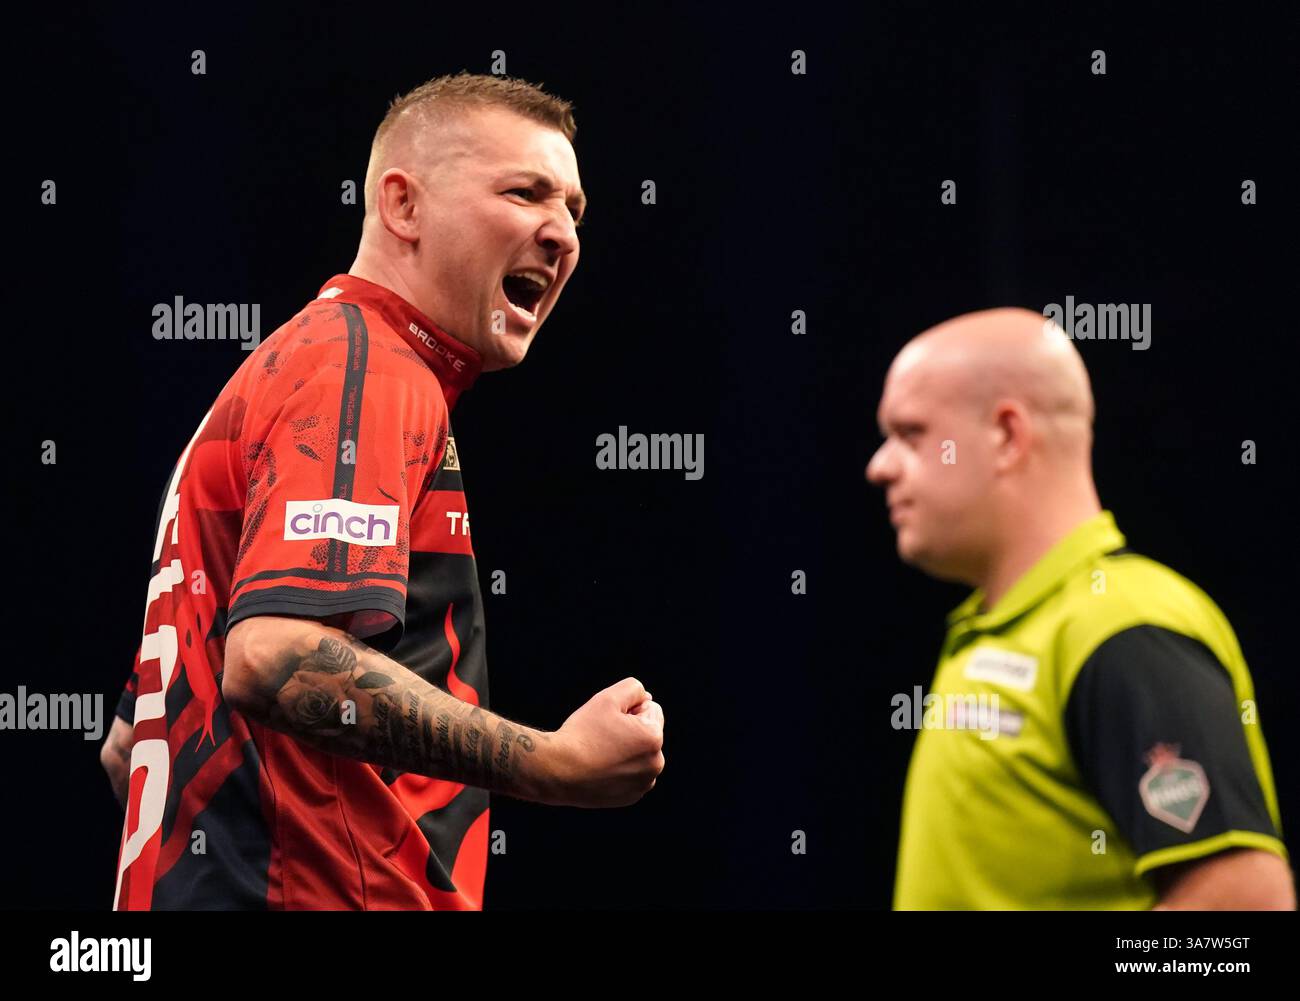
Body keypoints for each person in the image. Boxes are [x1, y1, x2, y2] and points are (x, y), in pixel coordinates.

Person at [101, 72, 665, 911]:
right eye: (526, 193)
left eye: (575, 211)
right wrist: (557, 765)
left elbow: (125, 748)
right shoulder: (360, 369)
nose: (562, 234)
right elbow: (277, 656)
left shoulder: (295, 367)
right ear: (402, 205)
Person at [866, 307, 1292, 909]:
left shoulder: (1122, 628)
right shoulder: (1004, 630)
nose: (879, 466)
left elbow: (1242, 914)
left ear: (1007, 436)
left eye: (910, 433)